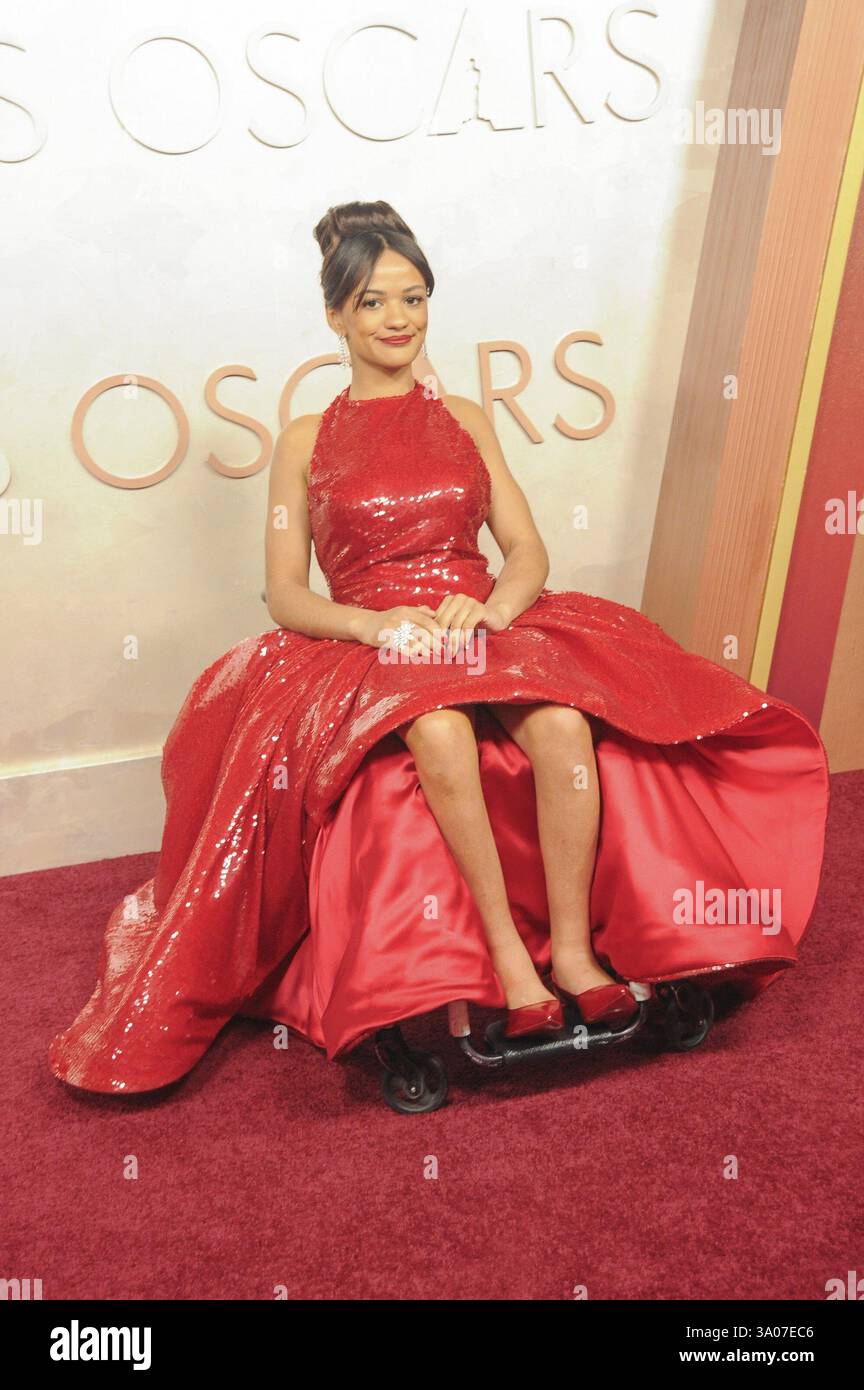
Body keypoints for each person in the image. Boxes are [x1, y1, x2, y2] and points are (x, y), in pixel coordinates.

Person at [48, 200, 830, 1095]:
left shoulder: (463, 414)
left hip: (477, 622)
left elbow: (529, 549)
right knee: (441, 733)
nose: (398, 319)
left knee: (566, 727)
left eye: (413, 298)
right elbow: (287, 592)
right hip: (377, 639)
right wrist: (377, 624)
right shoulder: (305, 441)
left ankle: (574, 956)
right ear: (336, 315)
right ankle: (511, 967)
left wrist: (494, 606)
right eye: (375, 302)